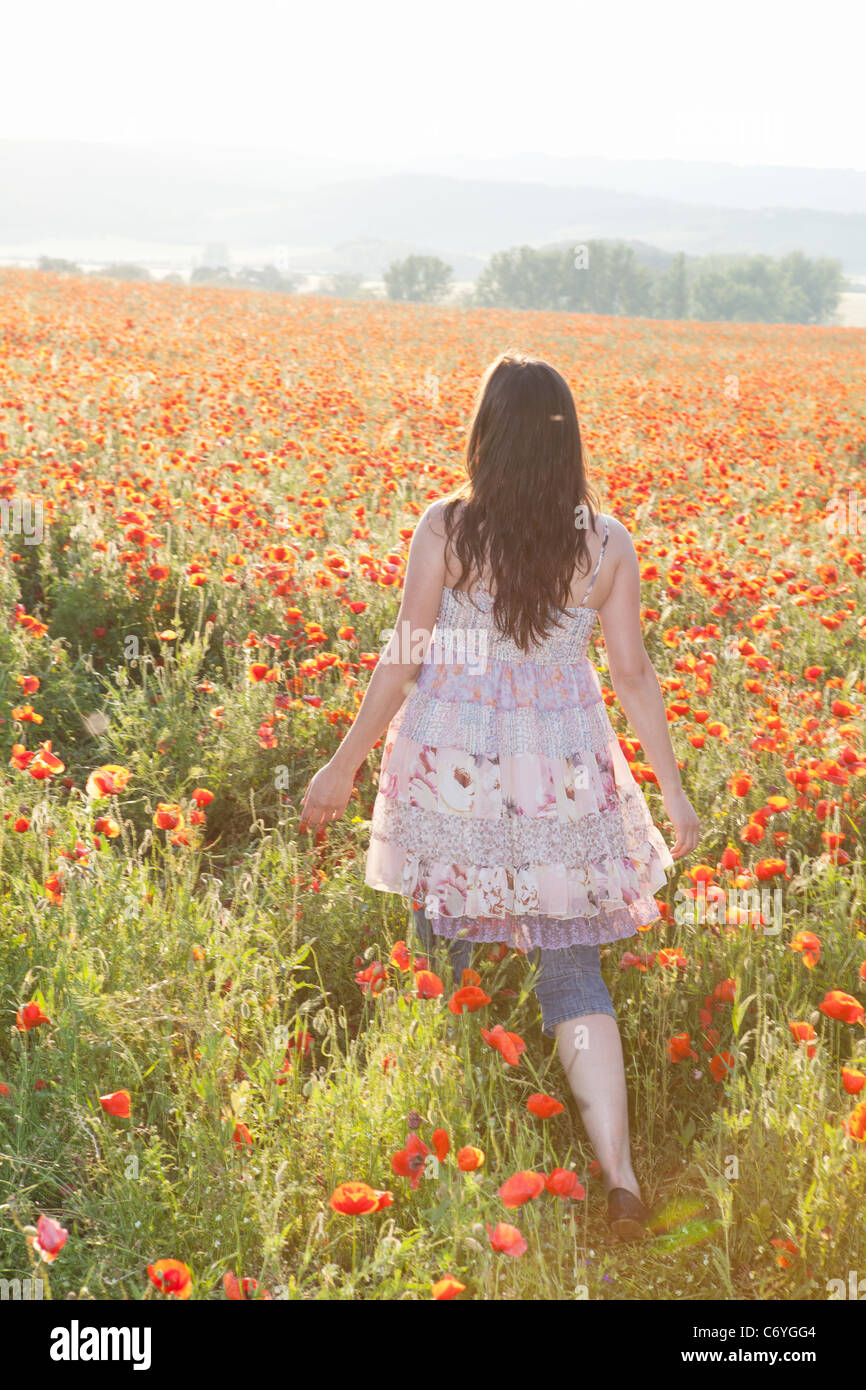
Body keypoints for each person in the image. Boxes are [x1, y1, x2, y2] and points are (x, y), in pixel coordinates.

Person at [299, 349, 701, 1242]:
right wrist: (672, 793)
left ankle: (442, 1153)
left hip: (456, 768)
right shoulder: (605, 542)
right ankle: (623, 1178)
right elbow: (632, 676)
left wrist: (342, 765)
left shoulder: (447, 527)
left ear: (486, 434)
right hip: (560, 770)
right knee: (571, 969)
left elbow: (404, 659)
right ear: (569, 443)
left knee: (444, 953)